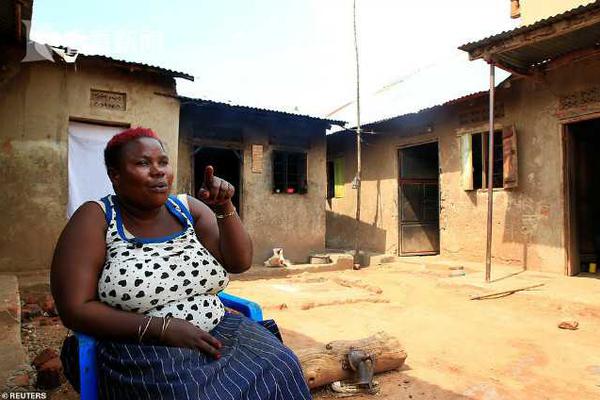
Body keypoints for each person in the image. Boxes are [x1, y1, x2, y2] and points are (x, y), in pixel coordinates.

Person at [51, 127, 311, 399]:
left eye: (162, 162)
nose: (158, 170)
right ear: (115, 175)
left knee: (283, 365)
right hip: (140, 345)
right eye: (142, 163)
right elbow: (75, 309)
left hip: (219, 331)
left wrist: (224, 207)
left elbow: (239, 262)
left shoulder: (187, 209)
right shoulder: (96, 218)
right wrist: (161, 329)